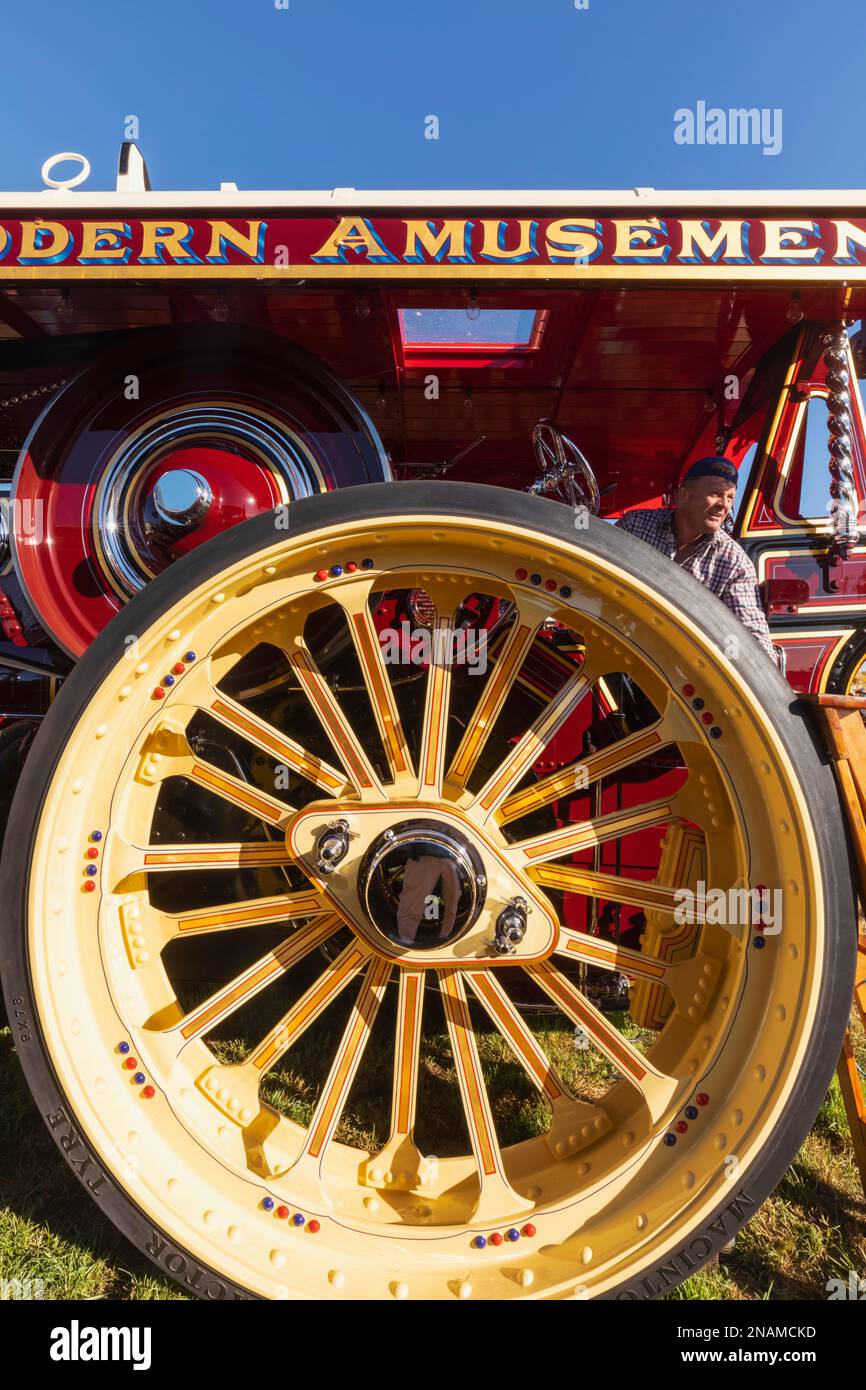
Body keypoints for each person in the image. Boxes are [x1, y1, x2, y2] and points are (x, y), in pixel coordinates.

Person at [615, 456, 778, 664]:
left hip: (682, 667)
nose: (723, 505)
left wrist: (766, 676)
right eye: (715, 494)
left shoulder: (735, 563)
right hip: (619, 644)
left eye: (729, 497)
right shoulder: (635, 526)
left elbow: (753, 637)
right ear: (684, 496)